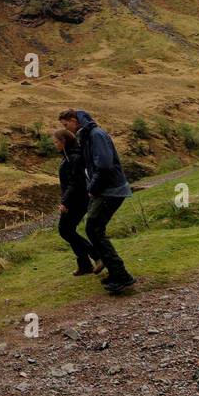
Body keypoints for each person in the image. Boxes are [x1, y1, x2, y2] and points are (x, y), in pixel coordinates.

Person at [58, 109, 135, 293]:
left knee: (94, 229)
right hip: (106, 189)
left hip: (110, 190)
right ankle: (116, 272)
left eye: (66, 125)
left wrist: (92, 188)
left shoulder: (95, 135)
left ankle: (121, 275)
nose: (66, 129)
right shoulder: (88, 135)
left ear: (73, 120)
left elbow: (104, 165)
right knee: (94, 229)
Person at [54, 127, 100, 276]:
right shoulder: (69, 155)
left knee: (65, 230)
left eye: (56, 142)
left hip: (78, 200)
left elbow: (75, 183)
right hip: (76, 199)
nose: (55, 145)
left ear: (64, 141)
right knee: (68, 230)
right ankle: (85, 264)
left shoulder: (74, 157)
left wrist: (65, 202)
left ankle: (96, 255)